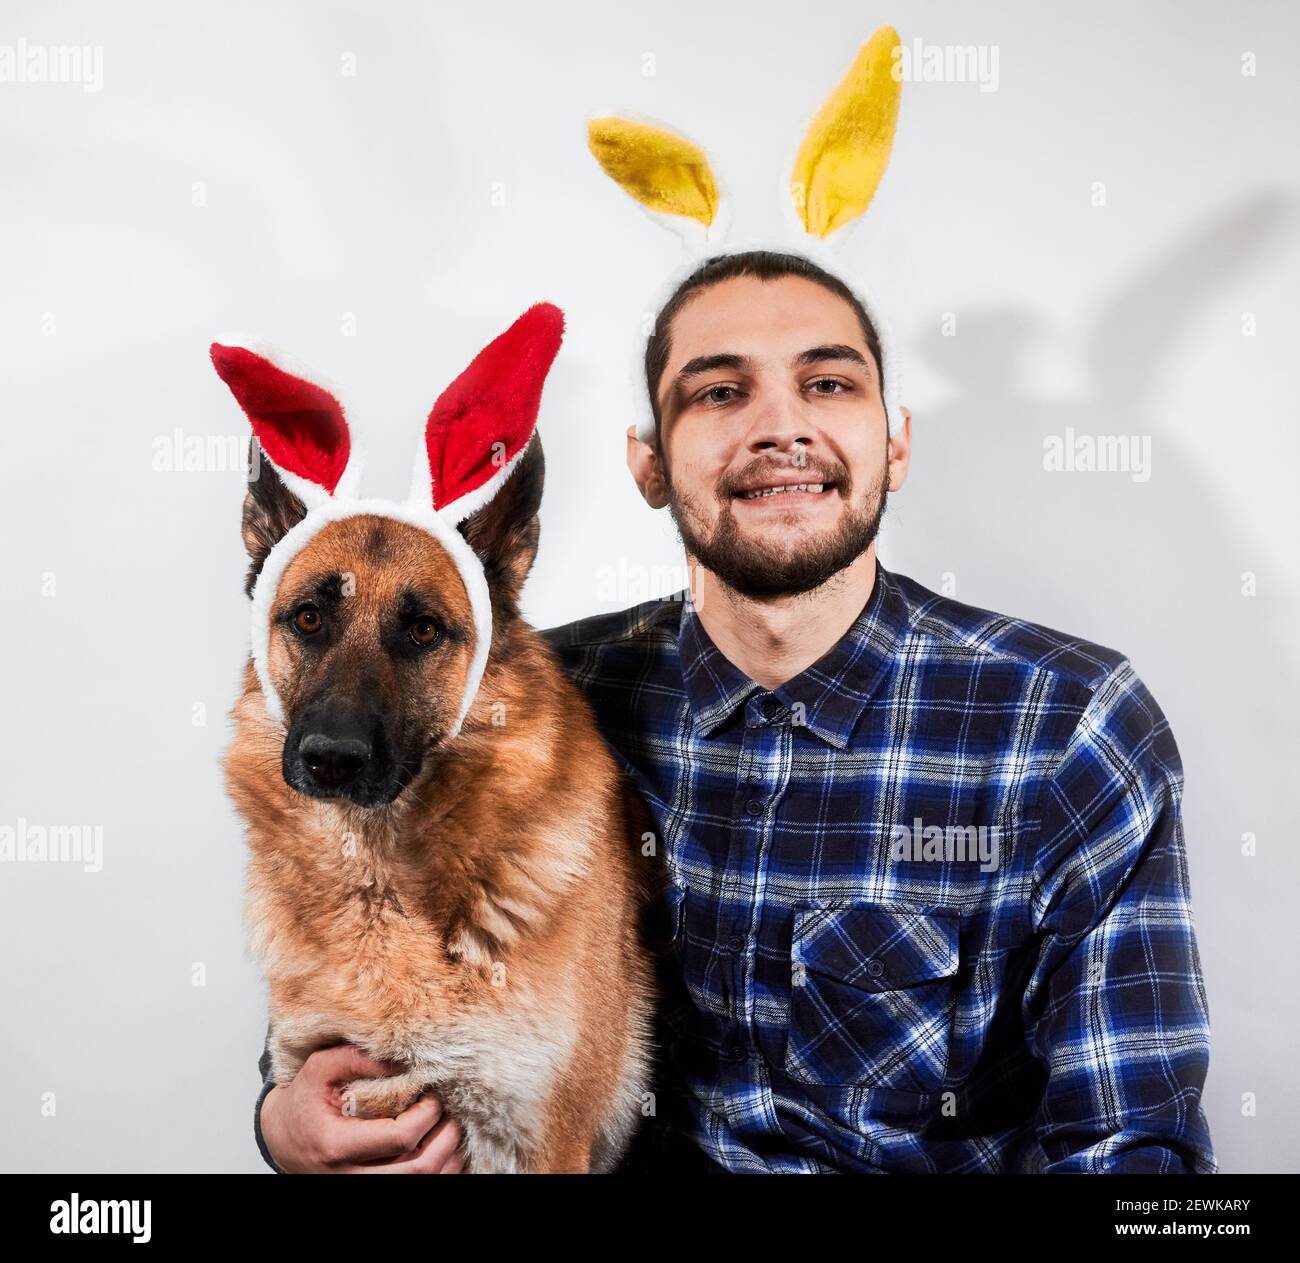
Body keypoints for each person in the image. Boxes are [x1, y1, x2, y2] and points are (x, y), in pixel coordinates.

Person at [255, 249, 1215, 1173]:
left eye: (829, 384)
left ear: (897, 441)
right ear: (649, 465)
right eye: (720, 392)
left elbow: (1131, 1152)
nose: (780, 427)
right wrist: (283, 1115)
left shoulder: (1066, 728)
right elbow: (352, 922)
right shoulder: (535, 699)